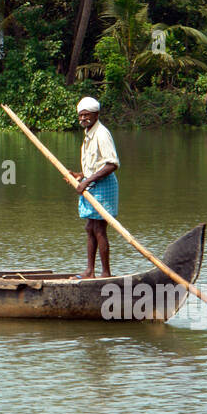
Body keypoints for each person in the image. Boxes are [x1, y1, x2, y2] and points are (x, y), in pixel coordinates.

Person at [72, 96, 119, 279]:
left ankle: (105, 273)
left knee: (99, 229)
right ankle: (90, 271)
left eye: (87, 115)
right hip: (92, 184)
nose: (83, 118)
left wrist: (87, 181)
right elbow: (94, 165)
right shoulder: (89, 134)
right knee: (90, 227)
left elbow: (111, 164)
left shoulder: (102, 133)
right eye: (81, 115)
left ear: (96, 114)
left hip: (104, 186)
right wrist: (80, 176)